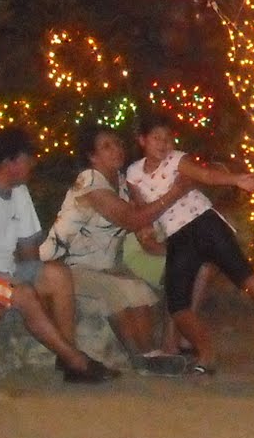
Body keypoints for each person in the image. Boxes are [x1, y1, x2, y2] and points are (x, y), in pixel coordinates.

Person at [0, 125, 118, 383]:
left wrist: (37, 277)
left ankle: (67, 354)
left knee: (58, 275)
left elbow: (29, 246)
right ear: (9, 162)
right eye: (27, 158)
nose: (32, 164)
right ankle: (77, 360)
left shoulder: (18, 191)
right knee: (24, 295)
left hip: (3, 270)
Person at [126, 110, 254, 373]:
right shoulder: (133, 172)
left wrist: (236, 180)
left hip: (204, 222)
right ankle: (206, 353)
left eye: (167, 138)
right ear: (142, 140)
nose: (163, 143)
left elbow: (205, 175)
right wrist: (145, 228)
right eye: (156, 138)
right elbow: (139, 204)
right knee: (178, 303)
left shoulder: (176, 159)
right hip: (177, 235)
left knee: (243, 275)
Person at [41, 122, 193, 373]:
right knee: (129, 288)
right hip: (67, 266)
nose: (116, 151)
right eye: (106, 147)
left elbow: (140, 218)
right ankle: (148, 356)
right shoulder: (89, 181)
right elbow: (130, 218)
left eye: (118, 144)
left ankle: (152, 353)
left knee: (142, 285)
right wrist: (175, 193)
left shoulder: (122, 182)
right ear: (92, 156)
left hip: (104, 265)